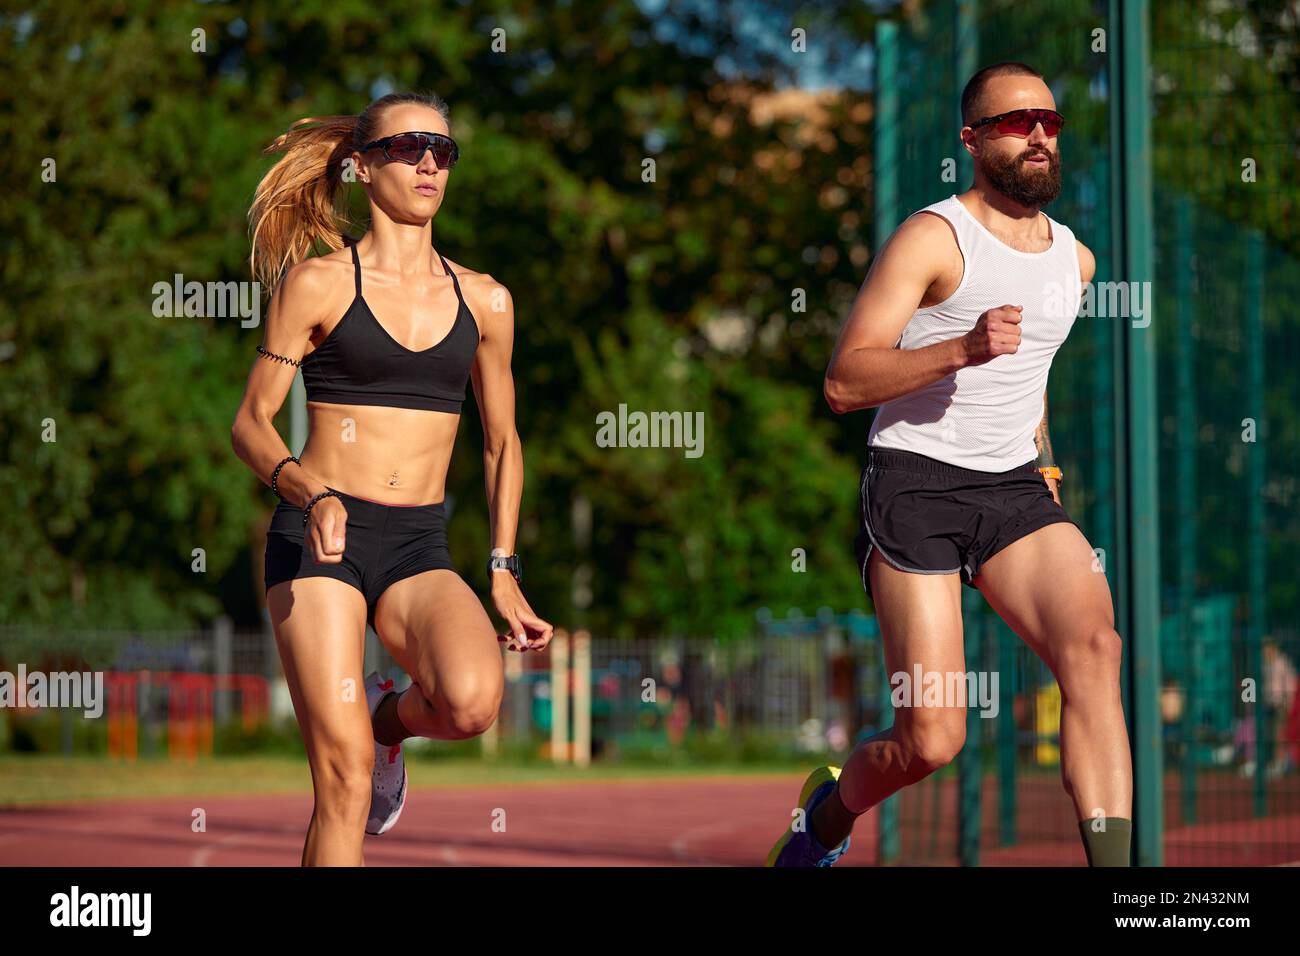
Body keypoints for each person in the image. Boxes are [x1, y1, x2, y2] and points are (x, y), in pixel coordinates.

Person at [767, 63, 1132, 866]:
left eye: (1048, 119)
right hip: (913, 484)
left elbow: (1030, 376)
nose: (1036, 133)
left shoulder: (1076, 264)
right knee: (931, 739)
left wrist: (1045, 464)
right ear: (972, 141)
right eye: (1012, 122)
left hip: (1013, 491)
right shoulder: (934, 238)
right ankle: (824, 818)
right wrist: (960, 348)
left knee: (1096, 652)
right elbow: (843, 379)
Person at [231, 91, 553, 866]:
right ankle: (359, 751)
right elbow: (250, 424)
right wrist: (309, 491)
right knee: (340, 787)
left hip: (418, 544)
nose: (429, 163)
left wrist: (503, 567)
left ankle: (388, 725)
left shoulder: (487, 300)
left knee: (473, 702)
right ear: (361, 167)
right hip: (319, 544)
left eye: (443, 151)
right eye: (409, 147)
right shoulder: (318, 285)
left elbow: (503, 444)